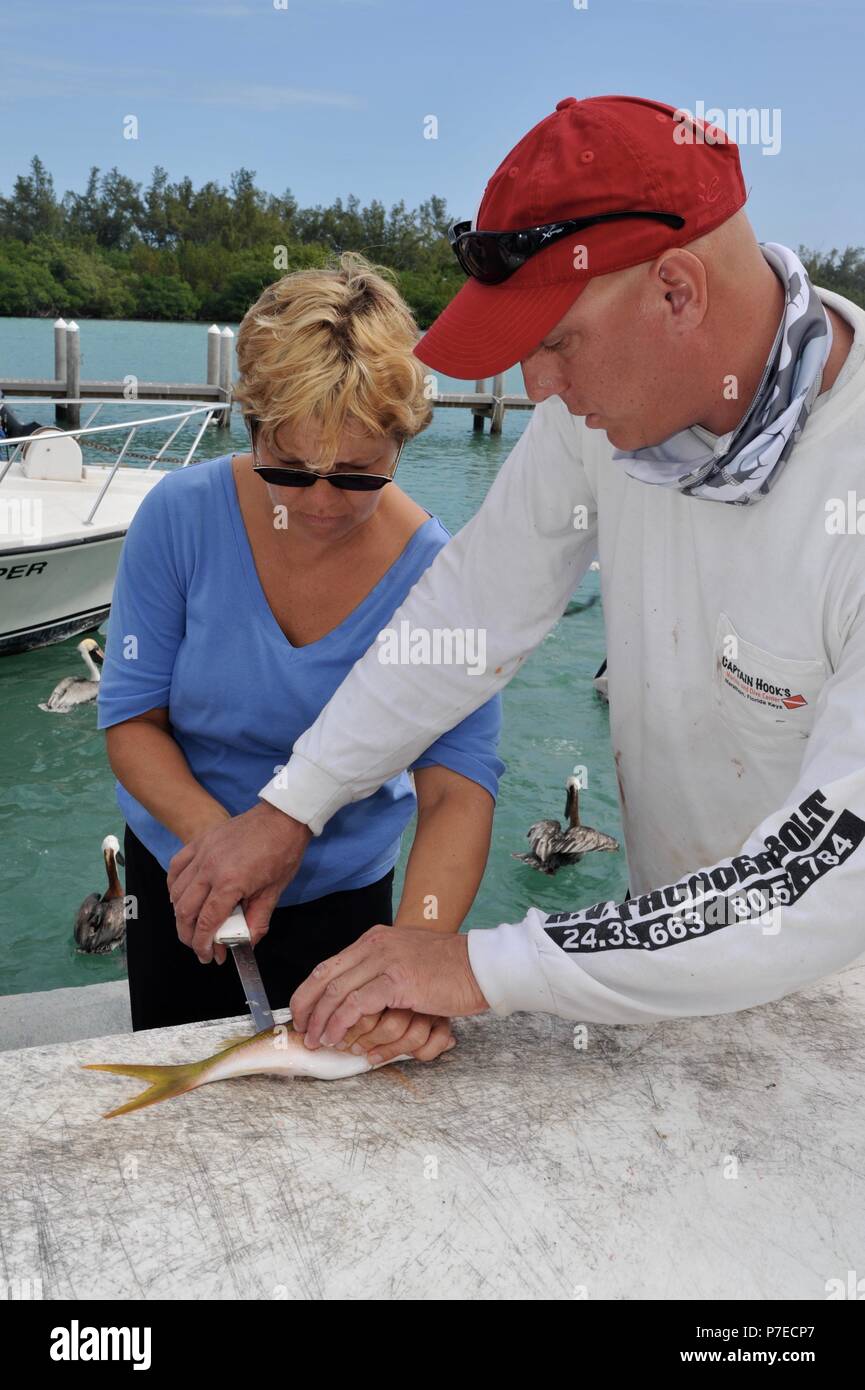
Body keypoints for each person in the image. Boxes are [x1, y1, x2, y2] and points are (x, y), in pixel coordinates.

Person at [166, 94, 865, 1057]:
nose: (534, 387)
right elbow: (467, 618)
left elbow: (825, 881)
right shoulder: (597, 424)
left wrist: (473, 966)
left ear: (676, 291)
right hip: (657, 980)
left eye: (554, 342)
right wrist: (294, 806)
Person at [97, 252, 504, 1057]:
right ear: (249, 429)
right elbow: (131, 721)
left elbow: (456, 792)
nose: (318, 505)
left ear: (403, 440)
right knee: (184, 1099)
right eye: (290, 468)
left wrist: (420, 950)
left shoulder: (440, 578)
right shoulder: (176, 519)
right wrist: (220, 849)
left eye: (356, 476)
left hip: (344, 899)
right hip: (183, 877)